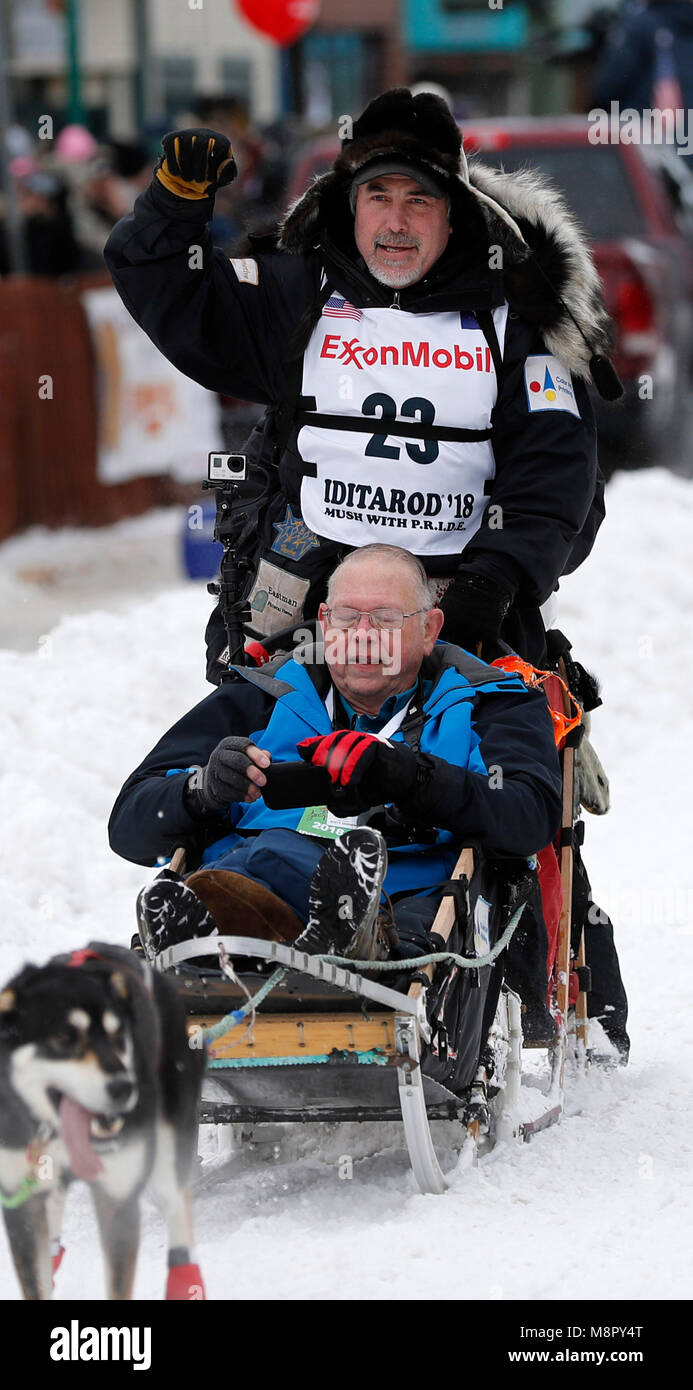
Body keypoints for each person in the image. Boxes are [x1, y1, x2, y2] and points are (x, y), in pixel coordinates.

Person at [104, 88, 629, 1057]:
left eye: (418, 200)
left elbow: (559, 470)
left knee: (492, 771)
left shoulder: (513, 314)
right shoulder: (304, 291)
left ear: (454, 209)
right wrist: (173, 209)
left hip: (461, 605)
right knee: (269, 761)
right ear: (350, 205)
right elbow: (173, 299)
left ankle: (521, 977)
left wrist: (493, 583)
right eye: (376, 196)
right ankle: (246, 920)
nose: (394, 220)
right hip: (313, 597)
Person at [108, 545, 562, 970]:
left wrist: (411, 779)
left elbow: (528, 815)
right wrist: (200, 791)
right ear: (324, 622)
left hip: (406, 896)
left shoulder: (490, 703)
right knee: (259, 858)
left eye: (385, 618)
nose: (363, 636)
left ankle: (352, 934)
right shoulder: (259, 697)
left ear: (429, 629)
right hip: (244, 888)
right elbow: (130, 824)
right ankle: (217, 935)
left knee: (270, 857)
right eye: (347, 617)